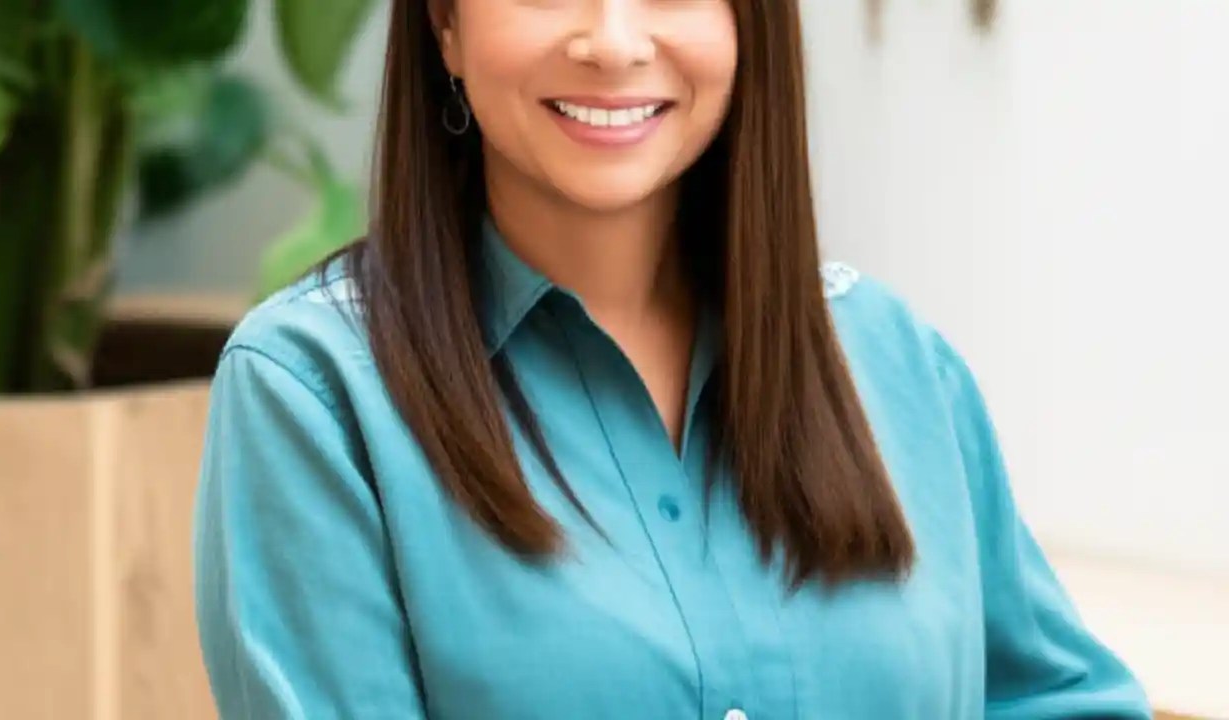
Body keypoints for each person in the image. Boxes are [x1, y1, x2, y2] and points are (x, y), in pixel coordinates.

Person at [193, 1, 1151, 718]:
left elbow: (1059, 700)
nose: (612, 41)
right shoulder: (315, 393)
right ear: (445, 25)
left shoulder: (892, 358)